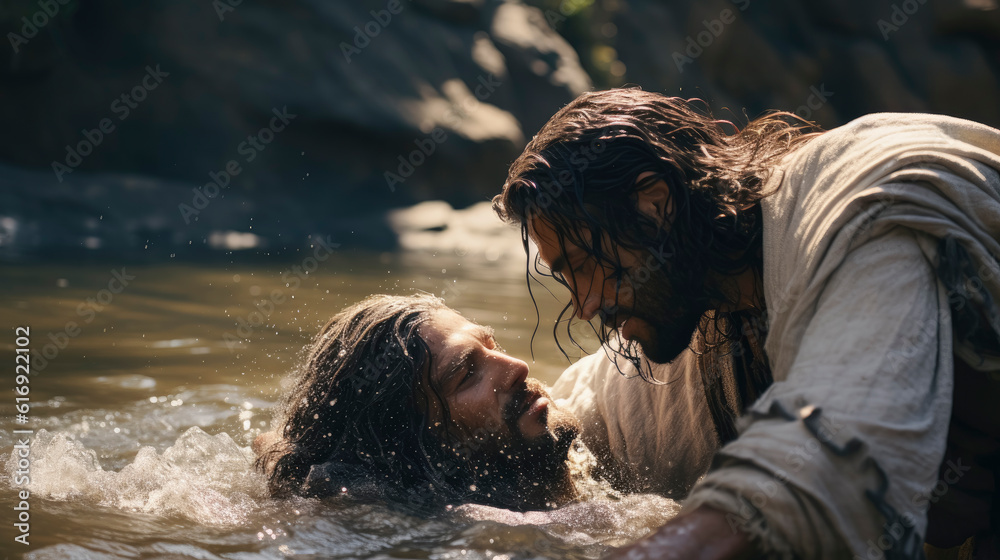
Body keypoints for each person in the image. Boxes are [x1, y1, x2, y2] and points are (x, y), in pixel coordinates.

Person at [493, 88, 1000, 559]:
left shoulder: (860, 213)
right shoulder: (719, 290)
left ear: (655, 203)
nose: (583, 304)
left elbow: (834, 452)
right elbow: (589, 406)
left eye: (582, 265)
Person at [253, 293, 585, 513]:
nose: (517, 367)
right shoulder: (480, 524)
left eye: (491, 344)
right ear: (417, 445)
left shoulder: (589, 411)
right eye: (467, 374)